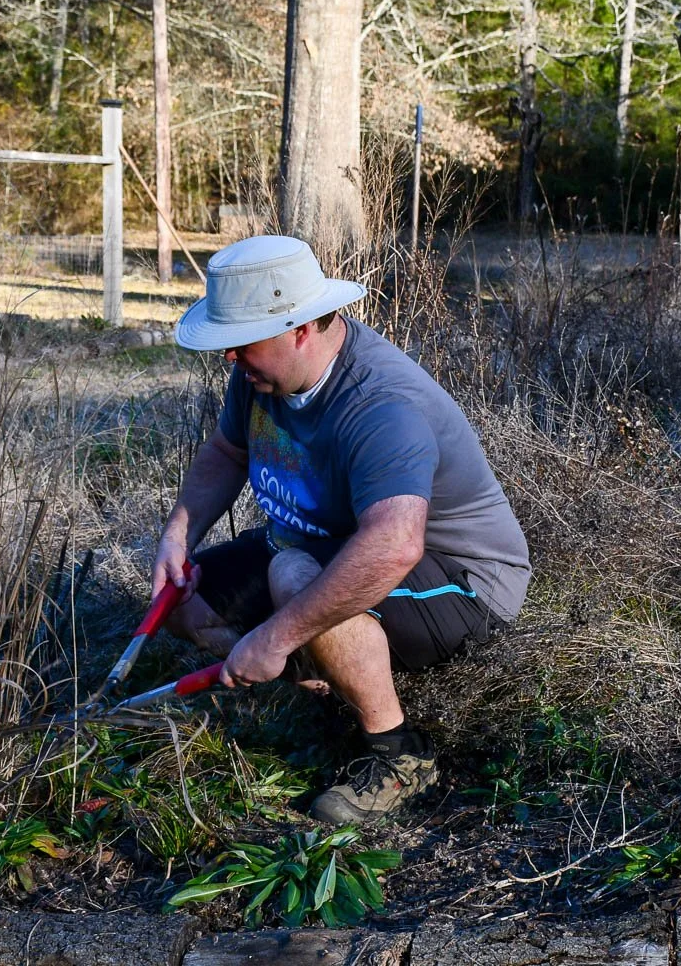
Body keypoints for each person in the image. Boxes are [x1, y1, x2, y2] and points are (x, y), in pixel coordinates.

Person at [151, 235, 531, 824]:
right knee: (184, 600)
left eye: (240, 345)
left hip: (457, 580)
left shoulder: (381, 404)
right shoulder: (262, 373)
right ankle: (304, 679)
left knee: (294, 573)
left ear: (299, 329)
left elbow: (395, 545)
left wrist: (276, 637)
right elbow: (227, 452)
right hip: (320, 537)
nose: (229, 359)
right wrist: (177, 538)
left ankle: (398, 753)